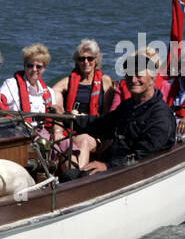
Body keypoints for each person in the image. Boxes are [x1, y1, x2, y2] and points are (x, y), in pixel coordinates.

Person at [70, 46, 176, 174]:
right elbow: (102, 124)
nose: (133, 79)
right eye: (129, 74)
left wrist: (107, 166)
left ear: (153, 78)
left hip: (135, 174)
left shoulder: (161, 116)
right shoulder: (128, 107)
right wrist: (68, 119)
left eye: (139, 75)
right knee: (68, 175)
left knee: (73, 177)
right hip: (117, 168)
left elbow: (143, 155)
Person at [52, 39, 113, 115]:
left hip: (96, 123)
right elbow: (53, 92)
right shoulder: (68, 81)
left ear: (96, 60)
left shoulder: (105, 81)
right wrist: (60, 109)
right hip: (72, 122)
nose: (86, 62)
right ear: (77, 62)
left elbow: (107, 111)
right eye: (82, 59)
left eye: (90, 59)